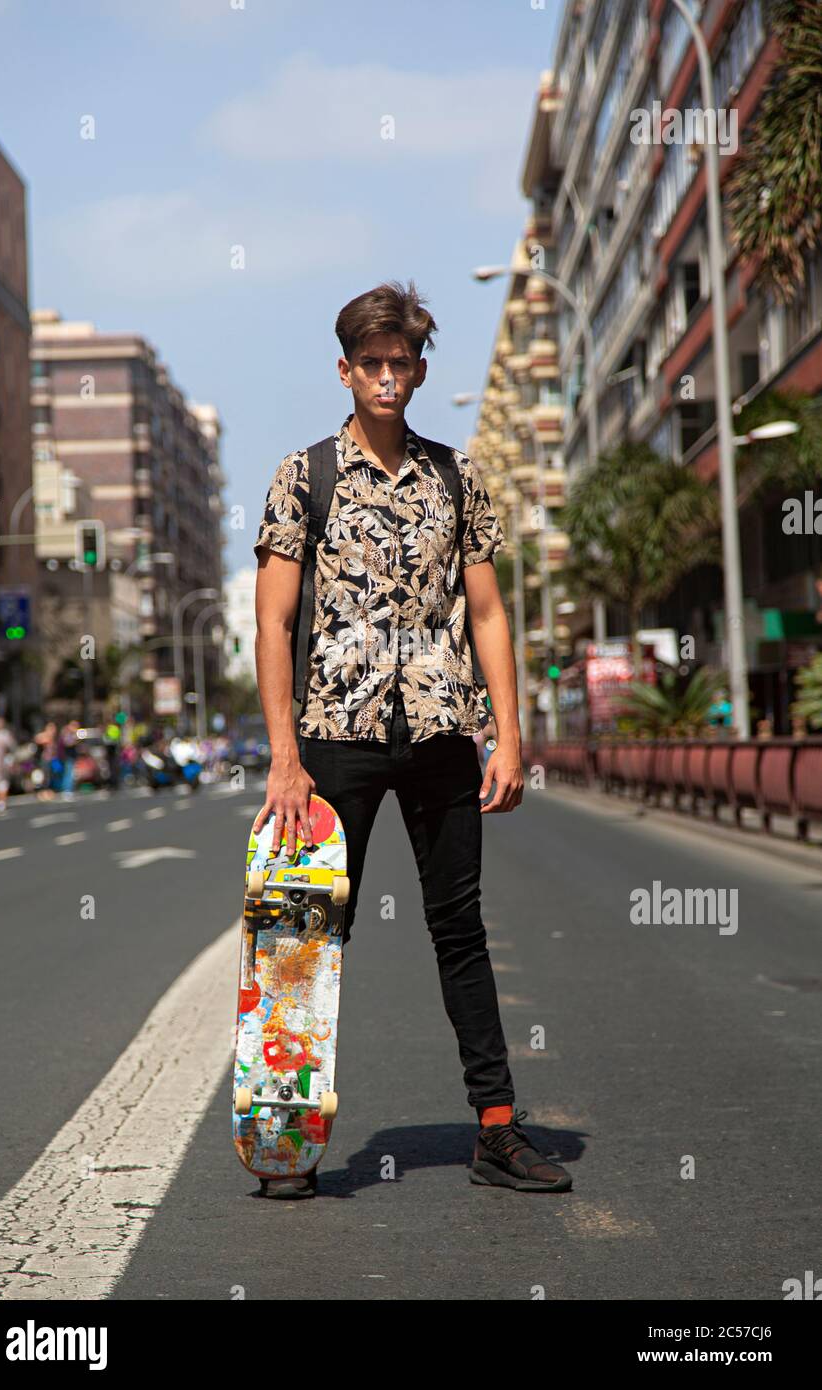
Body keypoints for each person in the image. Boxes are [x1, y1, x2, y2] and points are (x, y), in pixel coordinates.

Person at [253, 279, 572, 1198]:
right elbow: (273, 624)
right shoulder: (303, 476)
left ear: (420, 371)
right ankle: (288, 1135)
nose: (387, 378)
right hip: (332, 742)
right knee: (310, 934)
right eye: (372, 364)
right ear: (345, 370)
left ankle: (498, 1131)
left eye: (402, 363)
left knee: (459, 930)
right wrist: (284, 757)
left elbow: (488, 612)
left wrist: (508, 738)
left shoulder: (457, 474)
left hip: (440, 734)